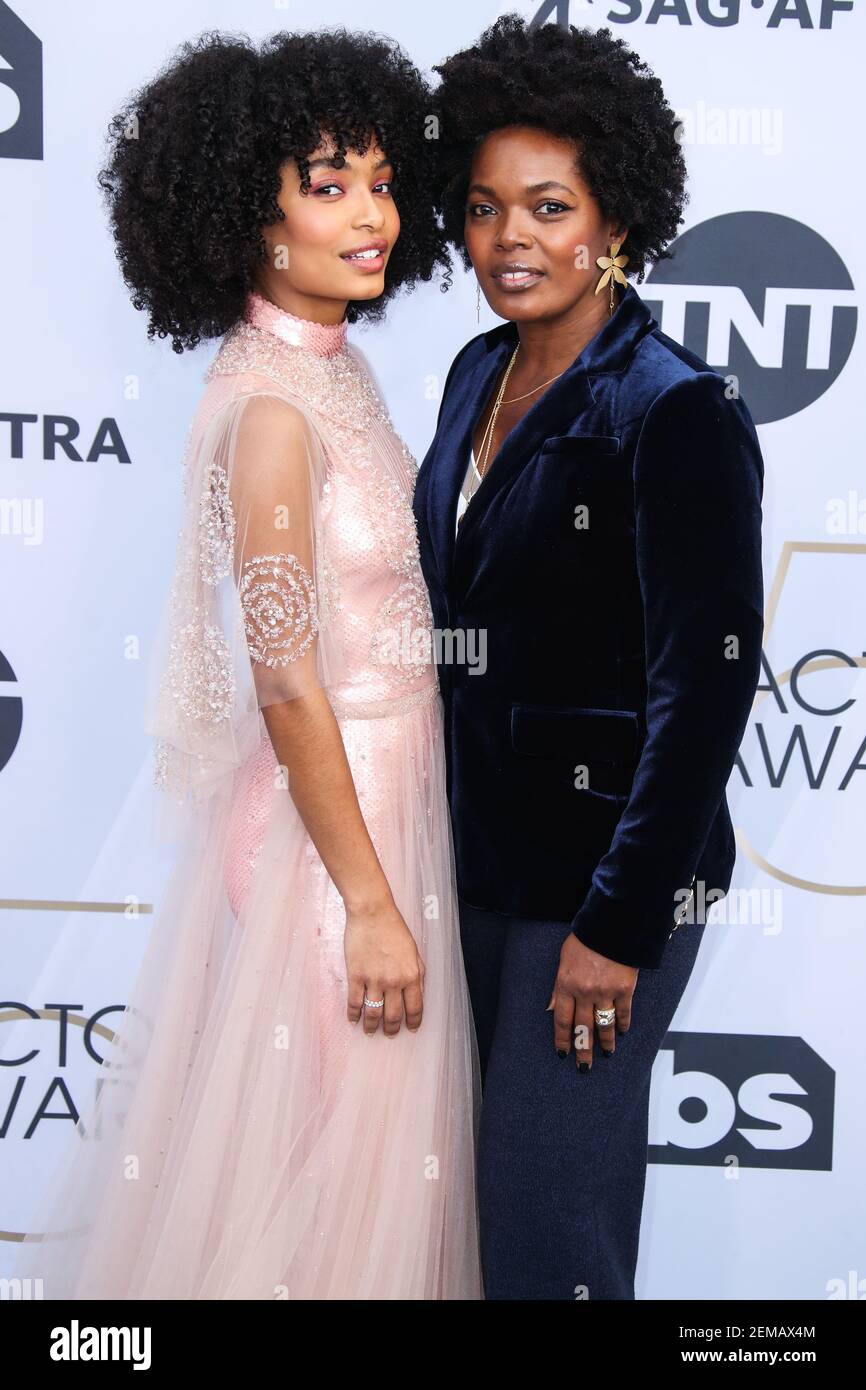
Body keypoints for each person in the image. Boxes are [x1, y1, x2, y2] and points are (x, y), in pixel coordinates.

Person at [8, 29, 481, 1300]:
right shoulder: (273, 409)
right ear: (241, 211)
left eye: (381, 179)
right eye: (328, 185)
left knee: (349, 1177)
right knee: (332, 1196)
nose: (373, 215)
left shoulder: (329, 367)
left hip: (378, 811)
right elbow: (284, 681)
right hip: (329, 850)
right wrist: (370, 906)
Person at [413, 15, 765, 1300]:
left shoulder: (671, 408)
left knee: (539, 1220)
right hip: (478, 869)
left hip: (607, 889)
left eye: (548, 206)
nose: (511, 240)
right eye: (484, 208)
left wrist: (615, 925)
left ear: (613, 218)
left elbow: (705, 685)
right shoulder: (470, 374)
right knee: (522, 1226)